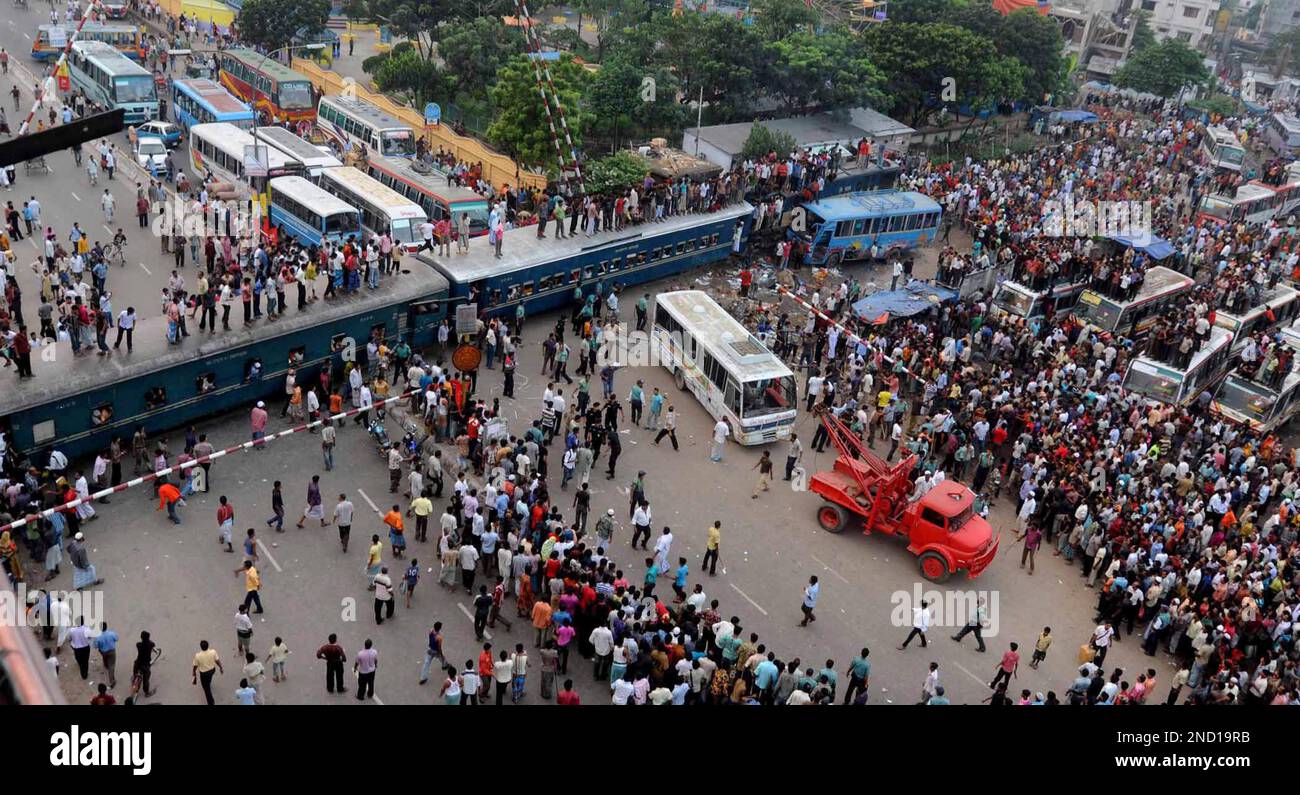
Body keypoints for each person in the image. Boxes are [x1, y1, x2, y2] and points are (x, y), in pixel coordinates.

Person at [191, 640, 222, 705]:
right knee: (209, 679)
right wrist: (220, 667)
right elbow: (217, 660)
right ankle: (209, 682)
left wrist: (193, 672)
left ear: (201, 647)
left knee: (206, 689)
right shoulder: (213, 652)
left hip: (204, 673)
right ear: (208, 645)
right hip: (212, 670)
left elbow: (195, 665)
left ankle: (211, 702)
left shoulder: (198, 656)